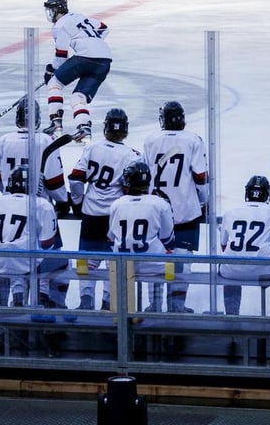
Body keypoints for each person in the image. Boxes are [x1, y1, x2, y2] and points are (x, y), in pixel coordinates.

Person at [68, 108, 141, 310]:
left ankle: (85, 301)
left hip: (91, 214)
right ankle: (108, 303)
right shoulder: (131, 155)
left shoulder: (92, 148)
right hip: (115, 217)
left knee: (86, 260)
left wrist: (77, 204)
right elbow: (131, 190)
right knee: (113, 262)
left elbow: (75, 179)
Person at [141, 100, 208, 313]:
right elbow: (200, 176)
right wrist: (202, 201)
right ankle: (177, 305)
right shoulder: (193, 140)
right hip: (186, 210)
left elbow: (144, 173)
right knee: (182, 259)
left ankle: (155, 304)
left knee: (157, 258)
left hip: (156, 208)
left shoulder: (151, 139)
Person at [0, 166, 67, 308]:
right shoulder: (43, 204)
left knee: (11, 254)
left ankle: (3, 303)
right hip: (25, 262)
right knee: (63, 263)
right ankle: (49, 301)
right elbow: (46, 243)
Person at [218, 176, 270, 316]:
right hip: (264, 270)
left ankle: (232, 316)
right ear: (267, 195)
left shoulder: (230, 213)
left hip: (231, 270)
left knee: (230, 265)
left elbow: (224, 246)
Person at [42, 0, 112, 143]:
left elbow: (61, 56)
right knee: (78, 97)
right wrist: (92, 42)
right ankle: (84, 129)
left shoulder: (59, 25)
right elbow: (104, 28)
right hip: (105, 59)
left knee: (54, 83)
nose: (50, 14)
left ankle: (55, 124)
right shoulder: (80, 17)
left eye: (51, 9)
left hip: (85, 57)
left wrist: (50, 70)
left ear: (57, 9)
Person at [108, 161, 175, 313]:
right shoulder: (160, 203)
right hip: (153, 266)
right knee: (168, 257)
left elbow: (111, 237)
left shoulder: (117, 204)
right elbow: (167, 239)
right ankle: (156, 305)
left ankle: (123, 310)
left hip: (123, 266)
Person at [0, 98, 68, 202]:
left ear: (18, 117)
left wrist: (9, 194)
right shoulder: (45, 140)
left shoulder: (5, 140)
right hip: (39, 205)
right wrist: (63, 201)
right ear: (37, 117)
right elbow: (54, 181)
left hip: (9, 204)